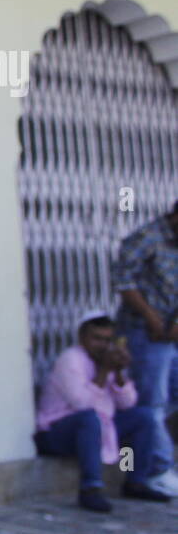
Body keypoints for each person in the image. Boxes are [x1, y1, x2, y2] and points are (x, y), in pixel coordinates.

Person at [34, 311, 168, 512]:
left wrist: (120, 374)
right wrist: (105, 371)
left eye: (107, 340)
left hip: (100, 424)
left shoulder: (108, 359)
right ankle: (91, 488)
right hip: (57, 431)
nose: (102, 345)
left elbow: (127, 404)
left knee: (143, 418)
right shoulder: (70, 360)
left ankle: (134, 480)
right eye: (96, 339)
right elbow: (82, 404)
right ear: (82, 338)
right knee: (89, 420)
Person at [112, 204, 178, 497]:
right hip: (144, 331)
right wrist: (153, 318)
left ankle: (151, 454)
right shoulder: (147, 237)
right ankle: (156, 469)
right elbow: (123, 281)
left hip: (171, 330)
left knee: (167, 397)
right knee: (152, 400)